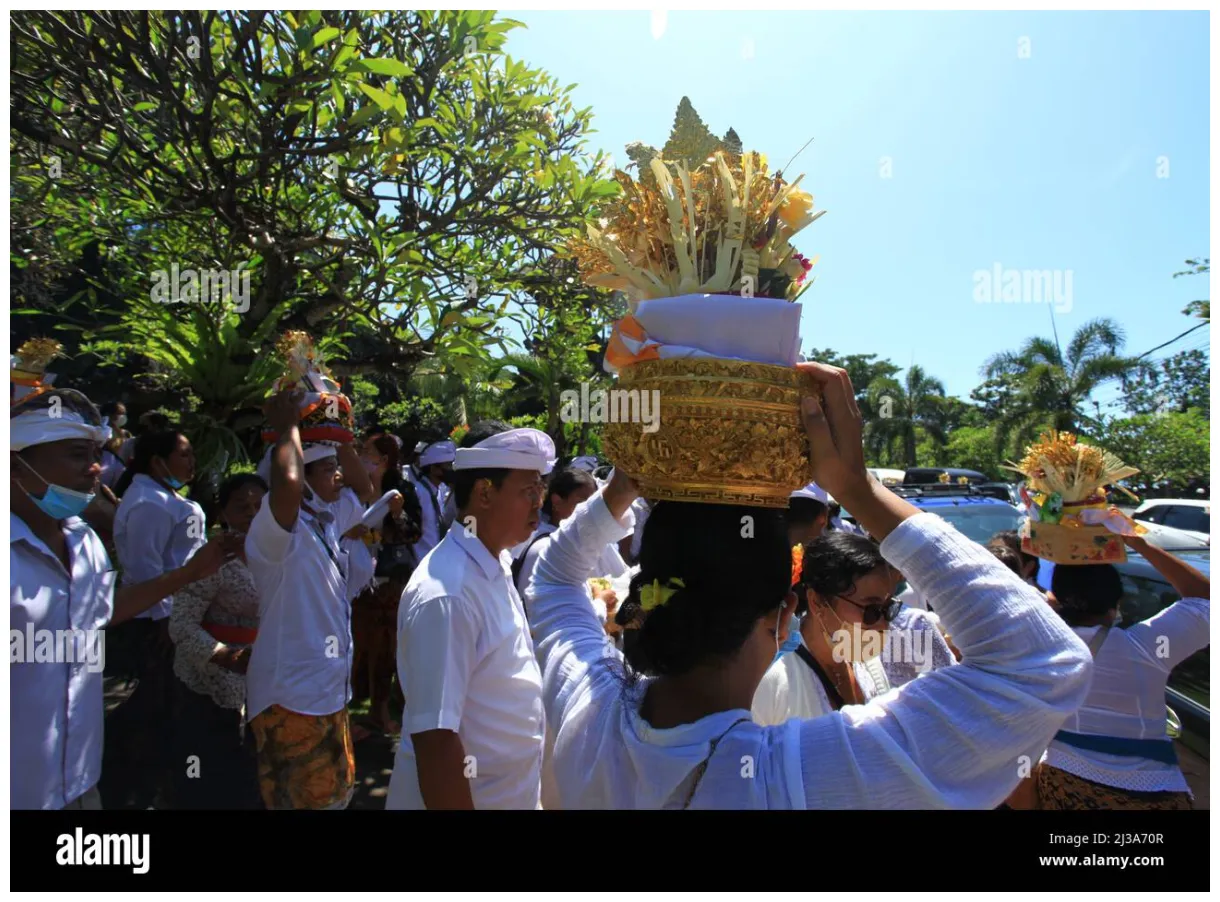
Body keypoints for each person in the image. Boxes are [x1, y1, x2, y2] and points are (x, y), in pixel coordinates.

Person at [524, 363, 1093, 809]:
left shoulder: (588, 706)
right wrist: (859, 488)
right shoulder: (804, 775)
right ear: (785, 615)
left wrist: (624, 482)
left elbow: (552, 576)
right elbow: (1046, 661)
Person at [11, 388, 232, 810]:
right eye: (78, 454)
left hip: (78, 779)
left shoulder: (81, 539)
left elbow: (100, 611)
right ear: (16, 464)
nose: (96, 467)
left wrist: (189, 574)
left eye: (96, 452)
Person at [387, 422, 553, 810]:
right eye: (528, 491)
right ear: (483, 493)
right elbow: (436, 741)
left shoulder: (493, 564)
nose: (538, 503)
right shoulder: (449, 594)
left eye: (540, 489)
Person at [1033, 535, 1209, 809]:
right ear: (1116, 604)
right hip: (1156, 794)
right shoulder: (1145, 647)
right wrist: (1140, 544)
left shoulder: (1038, 647)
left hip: (1066, 785)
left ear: (1055, 599)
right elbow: (1205, 598)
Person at [243, 388, 356, 810]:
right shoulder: (274, 532)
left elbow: (363, 487)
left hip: (327, 691)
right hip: (292, 697)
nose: (339, 475)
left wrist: (339, 428)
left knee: (333, 799)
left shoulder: (325, 523)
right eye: (327, 469)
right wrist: (288, 422)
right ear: (303, 479)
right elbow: (287, 485)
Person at [106, 428, 207, 808]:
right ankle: (138, 789)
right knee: (153, 709)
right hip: (155, 622)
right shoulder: (149, 503)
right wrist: (165, 619)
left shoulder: (162, 498)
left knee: (165, 708)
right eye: (183, 454)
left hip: (169, 616)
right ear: (157, 461)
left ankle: (155, 784)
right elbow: (146, 570)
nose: (191, 462)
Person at [167, 472, 268, 809]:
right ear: (223, 513)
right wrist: (223, 656)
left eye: (261, 506)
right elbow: (180, 623)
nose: (253, 514)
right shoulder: (212, 558)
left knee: (251, 774)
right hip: (209, 684)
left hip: (262, 683)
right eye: (243, 508)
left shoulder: (280, 555)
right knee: (209, 775)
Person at [351, 433, 421, 737]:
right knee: (355, 645)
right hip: (353, 577)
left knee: (385, 646)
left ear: (385, 459)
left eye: (368, 452)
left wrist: (397, 513)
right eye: (362, 451)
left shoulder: (402, 490)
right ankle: (348, 709)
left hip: (389, 580)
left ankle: (379, 710)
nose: (363, 456)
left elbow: (414, 532)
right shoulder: (351, 489)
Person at [411, 440, 455, 560]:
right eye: (448, 465)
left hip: (438, 559)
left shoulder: (440, 490)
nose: (451, 470)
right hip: (421, 560)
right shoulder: (417, 492)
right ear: (434, 468)